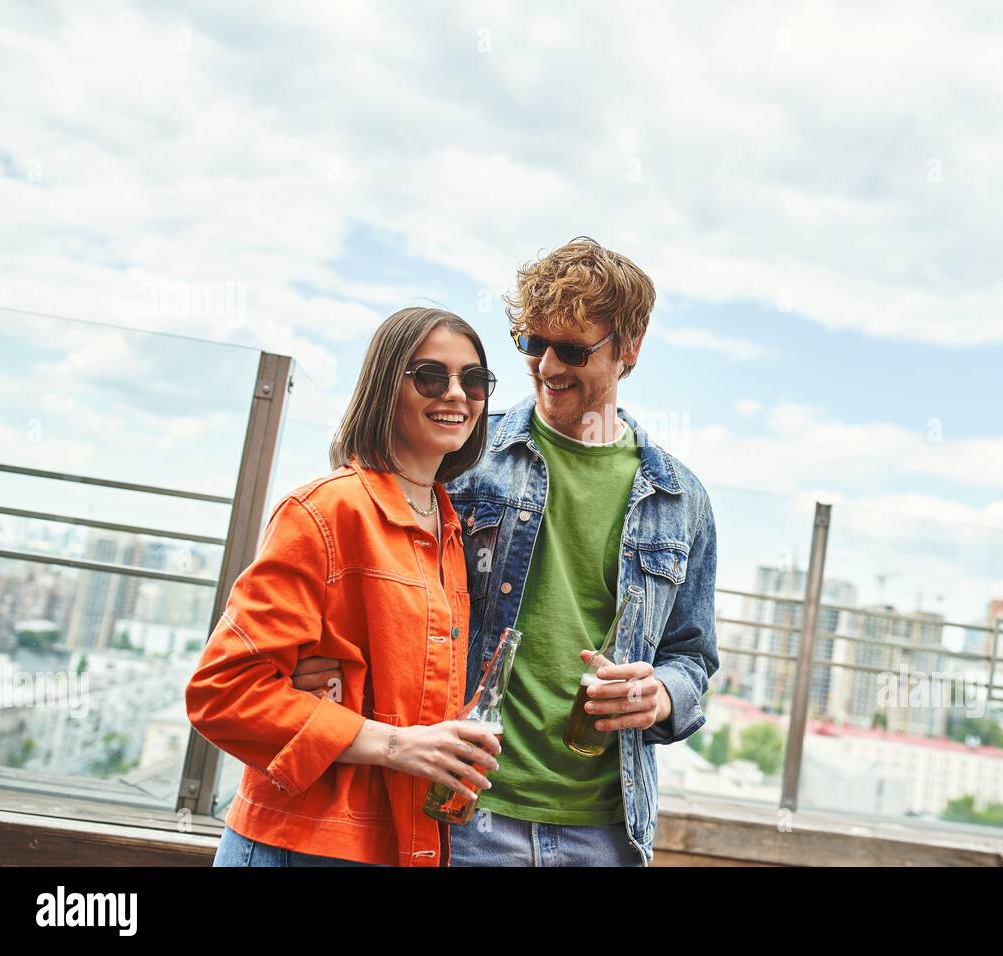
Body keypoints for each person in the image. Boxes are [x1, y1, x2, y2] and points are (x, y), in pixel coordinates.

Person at [295, 239, 719, 866]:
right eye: (531, 343)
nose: (547, 365)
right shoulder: (463, 455)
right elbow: (364, 543)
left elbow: (692, 658)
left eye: (573, 350)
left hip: (606, 833)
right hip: (461, 810)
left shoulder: (681, 500)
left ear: (630, 348)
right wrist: (328, 663)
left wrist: (659, 694)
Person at [185, 306, 503, 867]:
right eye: (431, 376)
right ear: (386, 388)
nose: (456, 394)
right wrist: (399, 745)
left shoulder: (449, 527)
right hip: (301, 844)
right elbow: (224, 692)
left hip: (401, 844)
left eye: (473, 380)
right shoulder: (325, 512)